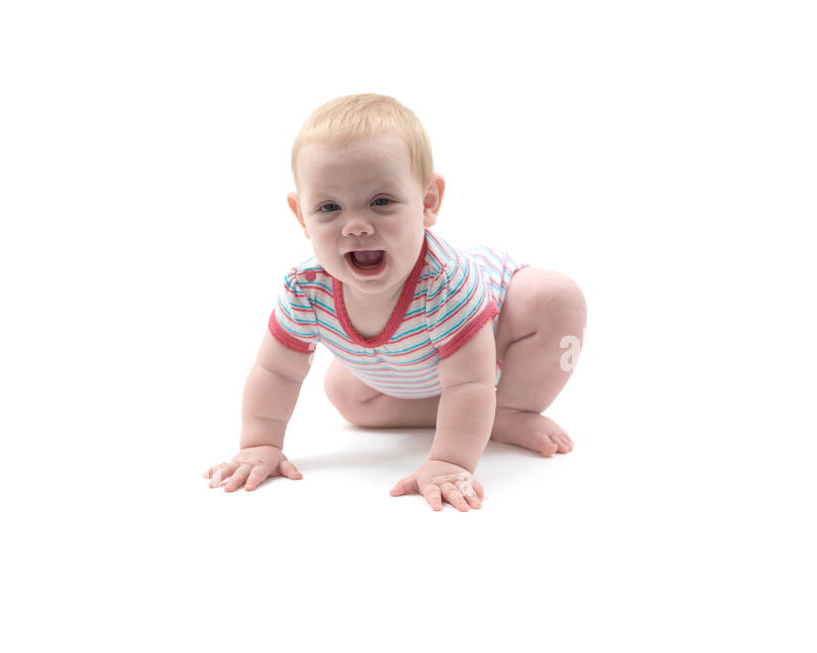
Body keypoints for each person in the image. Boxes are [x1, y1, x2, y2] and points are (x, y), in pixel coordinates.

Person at [203, 93, 587, 511]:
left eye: (381, 202)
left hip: (495, 340)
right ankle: (469, 415)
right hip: (420, 365)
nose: (356, 225)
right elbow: (275, 371)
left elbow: (470, 383)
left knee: (554, 298)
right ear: (301, 217)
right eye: (329, 207)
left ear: (427, 203)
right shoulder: (305, 287)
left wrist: (448, 461)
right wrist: (259, 443)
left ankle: (509, 409)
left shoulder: (444, 284)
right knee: (347, 395)